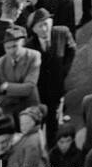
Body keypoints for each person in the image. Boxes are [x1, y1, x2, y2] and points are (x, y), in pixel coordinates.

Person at [27, 9, 74, 145]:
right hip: (39, 90)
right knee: (39, 119)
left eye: (46, 23)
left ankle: (53, 146)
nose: (44, 28)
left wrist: (64, 70)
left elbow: (71, 48)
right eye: (40, 26)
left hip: (57, 86)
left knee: (54, 120)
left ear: (51, 22)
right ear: (34, 30)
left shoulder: (62, 32)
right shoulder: (29, 46)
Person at [0, 25, 39, 119]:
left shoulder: (34, 56)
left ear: (22, 43)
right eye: (8, 48)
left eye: (15, 46)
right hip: (9, 109)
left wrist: (7, 87)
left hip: (30, 106)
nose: (11, 51)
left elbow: (29, 87)